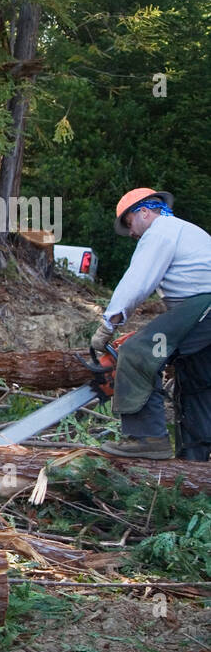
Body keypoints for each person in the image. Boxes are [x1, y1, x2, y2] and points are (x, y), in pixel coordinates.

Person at [89, 188, 211, 460]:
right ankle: (195, 463)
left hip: (204, 306)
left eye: (130, 224)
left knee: (136, 353)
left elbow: (137, 282)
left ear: (144, 211)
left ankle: (147, 438)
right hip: (200, 313)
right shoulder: (186, 231)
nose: (131, 233)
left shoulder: (161, 230)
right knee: (196, 382)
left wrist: (108, 325)